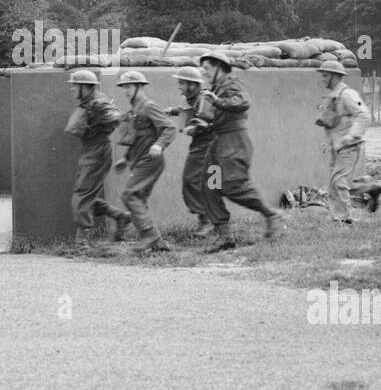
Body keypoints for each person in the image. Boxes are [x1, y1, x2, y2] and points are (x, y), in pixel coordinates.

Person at [197, 50, 286, 251]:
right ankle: (224, 237)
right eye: (203, 68)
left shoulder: (231, 83)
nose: (204, 72)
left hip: (234, 143)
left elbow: (243, 102)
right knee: (210, 186)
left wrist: (217, 101)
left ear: (220, 68)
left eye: (208, 68)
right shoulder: (216, 87)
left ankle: (272, 214)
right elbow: (216, 115)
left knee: (233, 185)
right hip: (218, 143)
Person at [63, 69, 129, 246]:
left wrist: (118, 117)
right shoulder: (91, 102)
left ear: (86, 87)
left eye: (75, 85)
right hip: (91, 150)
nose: (72, 89)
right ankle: (120, 216)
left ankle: (81, 243)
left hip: (96, 152)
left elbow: (116, 117)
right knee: (86, 194)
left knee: (82, 195)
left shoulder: (98, 103)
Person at [113, 70, 177, 251]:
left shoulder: (148, 106)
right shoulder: (135, 110)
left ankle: (150, 238)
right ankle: (156, 243)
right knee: (138, 199)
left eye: (128, 86)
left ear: (139, 86)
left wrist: (159, 145)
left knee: (129, 195)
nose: (125, 91)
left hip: (150, 161)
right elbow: (136, 138)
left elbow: (169, 127)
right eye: (123, 87)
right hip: (139, 160)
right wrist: (125, 159)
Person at [313, 61, 381, 224]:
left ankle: (344, 219)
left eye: (325, 75)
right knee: (333, 184)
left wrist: (351, 137)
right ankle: (367, 190)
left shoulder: (347, 94)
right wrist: (329, 143)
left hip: (349, 146)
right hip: (336, 147)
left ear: (335, 76)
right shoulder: (331, 96)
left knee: (338, 181)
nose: (322, 79)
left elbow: (364, 115)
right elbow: (333, 123)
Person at [167, 65, 216, 238]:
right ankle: (212, 221)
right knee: (209, 184)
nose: (179, 87)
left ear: (193, 85)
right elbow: (186, 110)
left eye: (182, 83)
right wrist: (172, 111)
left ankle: (207, 222)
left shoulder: (204, 100)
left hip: (207, 146)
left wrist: (194, 129)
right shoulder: (193, 99)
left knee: (192, 180)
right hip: (203, 146)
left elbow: (205, 121)